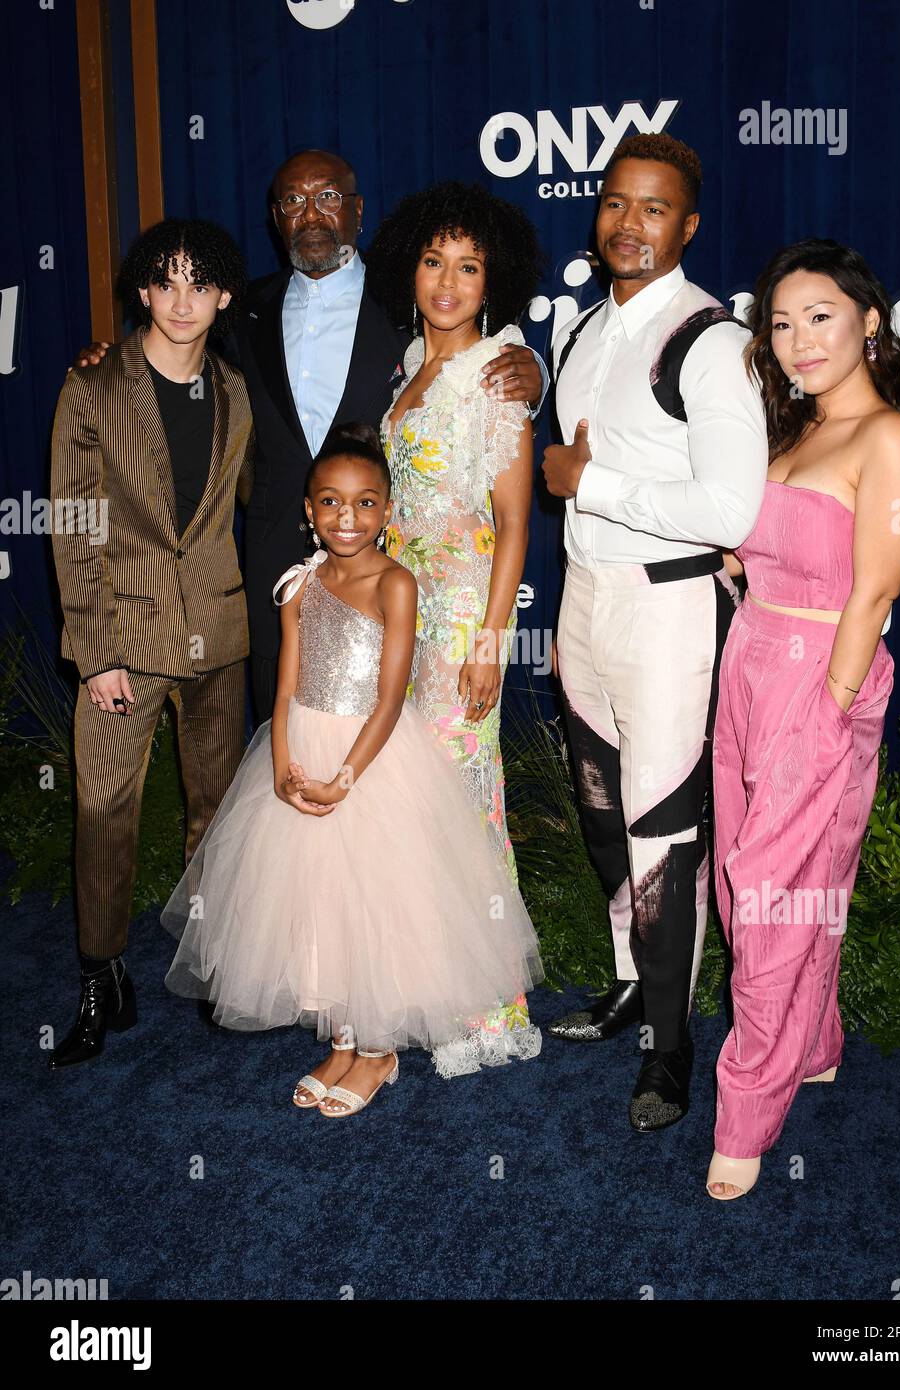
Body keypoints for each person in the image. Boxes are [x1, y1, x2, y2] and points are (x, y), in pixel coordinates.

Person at [76, 150, 548, 725]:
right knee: (293, 741)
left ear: (357, 209)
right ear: (276, 218)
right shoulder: (243, 308)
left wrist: (534, 372)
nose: (312, 214)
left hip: (387, 575)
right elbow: (180, 363)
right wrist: (109, 360)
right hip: (278, 558)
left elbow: (473, 369)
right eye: (294, 201)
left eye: (328, 196)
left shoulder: (409, 298)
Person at [160, 425, 544, 1112]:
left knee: (377, 899)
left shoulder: (396, 583)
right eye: (331, 503)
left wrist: (344, 774)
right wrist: (282, 762)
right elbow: (282, 685)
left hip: (370, 757)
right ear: (308, 511)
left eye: (366, 503)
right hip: (305, 743)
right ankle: (340, 1038)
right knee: (318, 902)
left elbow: (392, 697)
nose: (348, 518)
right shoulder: (300, 584)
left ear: (388, 512)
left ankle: (377, 1049)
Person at [542, 133, 768, 1132]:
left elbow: (730, 507)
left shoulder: (712, 341)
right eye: (614, 204)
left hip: (669, 610)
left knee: (659, 835)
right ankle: (636, 982)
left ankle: (671, 1054)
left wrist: (593, 482)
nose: (628, 224)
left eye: (652, 208)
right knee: (600, 817)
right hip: (584, 598)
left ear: (687, 224)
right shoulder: (582, 332)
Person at [707, 240, 900, 1199]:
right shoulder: (787, 437)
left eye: (820, 316)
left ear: (868, 323)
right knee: (769, 884)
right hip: (747, 665)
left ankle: (745, 1113)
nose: (797, 339)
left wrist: (828, 712)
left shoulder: (893, 440)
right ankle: (814, 1041)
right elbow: (763, 553)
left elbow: (873, 595)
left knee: (768, 896)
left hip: (819, 676)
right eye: (780, 321)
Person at [48, 219, 253, 1067]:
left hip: (220, 633)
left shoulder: (236, 391)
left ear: (223, 297)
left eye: (197, 284)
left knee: (216, 814)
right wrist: (96, 654)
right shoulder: (94, 388)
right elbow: (73, 523)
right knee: (104, 814)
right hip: (123, 645)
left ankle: (205, 960)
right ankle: (102, 975)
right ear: (142, 290)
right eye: (164, 283)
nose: (180, 301)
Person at [368, 180, 546, 1074]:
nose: (447, 281)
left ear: (492, 282)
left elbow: (512, 521)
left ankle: (483, 1012)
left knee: (465, 805)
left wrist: (490, 643)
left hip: (462, 613)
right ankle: (419, 984)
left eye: (468, 266)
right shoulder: (409, 364)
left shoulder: (498, 373)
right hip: (401, 611)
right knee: (409, 804)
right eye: (434, 261)